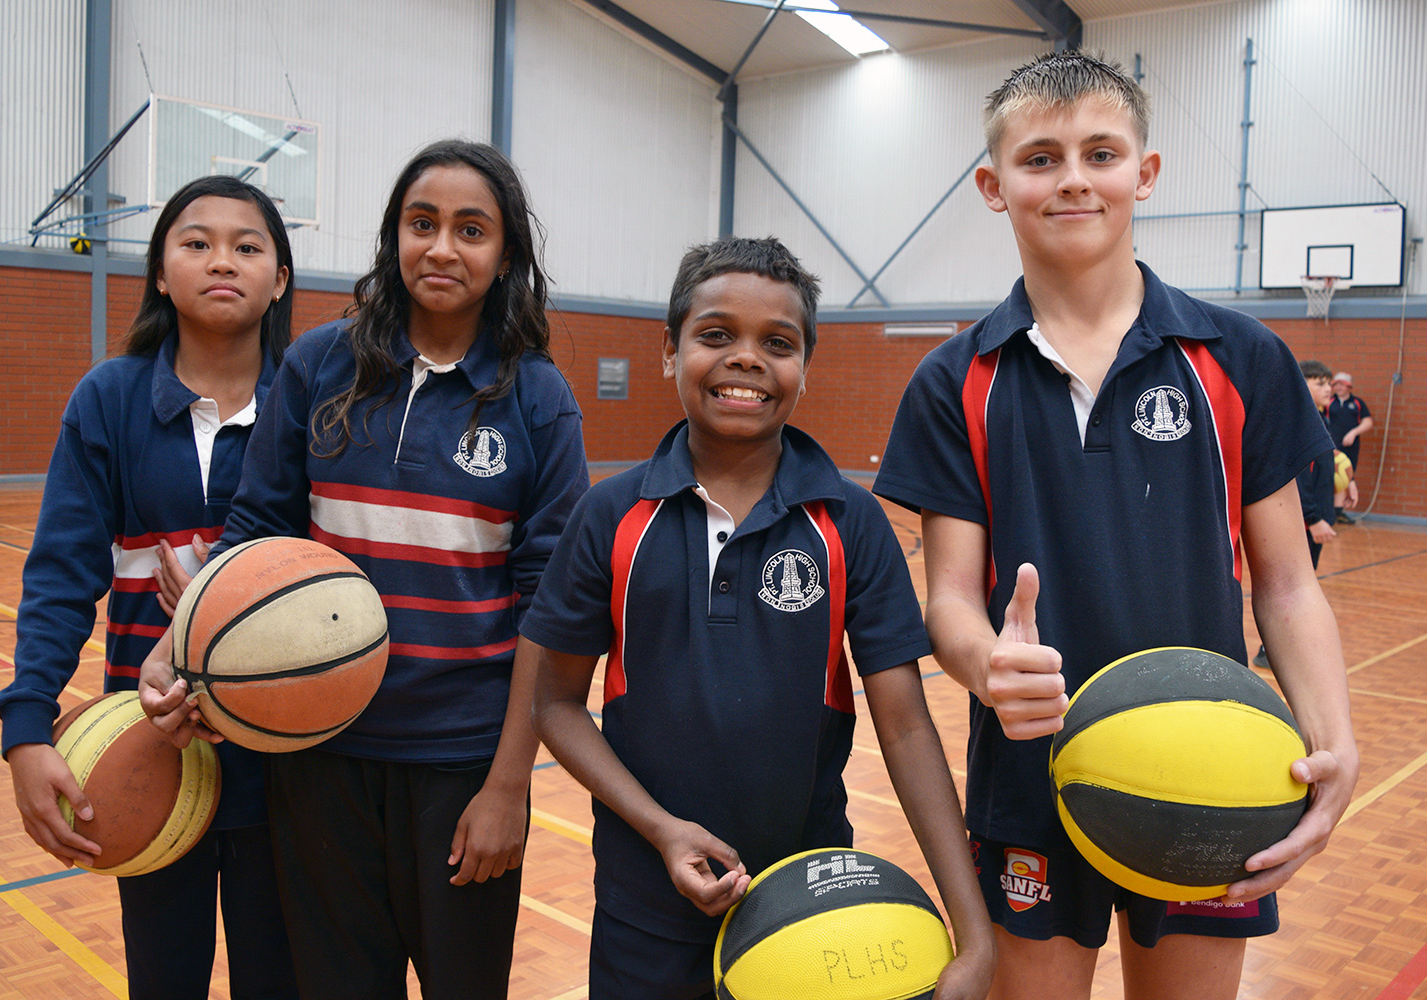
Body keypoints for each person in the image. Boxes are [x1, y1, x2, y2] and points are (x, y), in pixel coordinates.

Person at [872, 51, 1358, 1000]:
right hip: (1028, 784)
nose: (1072, 179)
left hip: (1212, 769)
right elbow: (952, 599)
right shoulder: (952, 381)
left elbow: (1288, 580)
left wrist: (1333, 739)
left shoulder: (1239, 358)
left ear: (1145, 172)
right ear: (992, 185)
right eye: (1040, 158)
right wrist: (984, 666)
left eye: (1101, 153)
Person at [140, 140, 588, 1000]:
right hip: (315, 747)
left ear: (505, 257)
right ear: (394, 238)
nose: (444, 248)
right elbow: (257, 529)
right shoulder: (319, 364)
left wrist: (507, 788)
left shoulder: (537, 398)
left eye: (472, 229)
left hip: (462, 763)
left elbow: (551, 611)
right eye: (422, 224)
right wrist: (176, 646)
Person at [525, 236, 995, 1000]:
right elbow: (554, 703)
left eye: (776, 343)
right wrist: (660, 828)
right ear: (670, 354)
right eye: (716, 335)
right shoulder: (609, 515)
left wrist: (972, 935)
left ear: (805, 366)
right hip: (644, 906)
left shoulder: (850, 520)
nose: (746, 359)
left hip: (813, 907)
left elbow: (907, 728)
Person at [0, 176, 299, 1000]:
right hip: (150, 754)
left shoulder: (314, 408)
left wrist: (217, 601)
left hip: (288, 765)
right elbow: (61, 573)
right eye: (195, 243)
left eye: (248, 245)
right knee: (164, 981)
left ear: (279, 278)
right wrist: (26, 726)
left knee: (280, 980)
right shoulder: (110, 399)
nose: (221, 260)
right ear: (161, 272)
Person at [1253, 359, 1343, 670]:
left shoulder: (1320, 419)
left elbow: (1326, 464)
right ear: (1301, 386)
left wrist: (1349, 481)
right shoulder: (1294, 423)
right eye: (1320, 383)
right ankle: (1270, 649)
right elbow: (1296, 480)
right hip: (1301, 523)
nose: (1328, 388)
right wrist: (1314, 517)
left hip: (1315, 517)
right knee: (1290, 588)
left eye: (1329, 383)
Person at [1326, 371, 1372, 523]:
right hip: (1331, 448)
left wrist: (1353, 432)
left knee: (1345, 477)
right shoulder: (1329, 402)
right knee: (1330, 477)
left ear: (1349, 386)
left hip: (1350, 448)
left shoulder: (1357, 403)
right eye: (1336, 385)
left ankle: (1338, 511)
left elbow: (1368, 422)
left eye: (1342, 385)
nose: (1338, 388)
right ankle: (1329, 511)